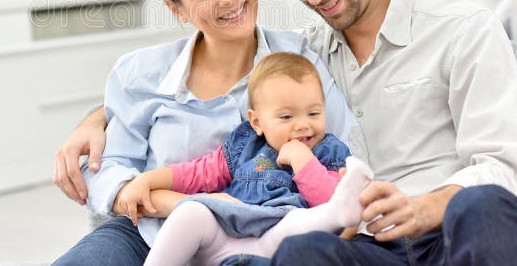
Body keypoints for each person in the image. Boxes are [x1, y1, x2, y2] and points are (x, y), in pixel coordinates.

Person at [54, 0, 517, 265]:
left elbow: (504, 169)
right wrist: (97, 118)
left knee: (478, 204)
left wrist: (425, 206)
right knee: (301, 255)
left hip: (457, 233)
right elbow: (174, 95)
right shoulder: (307, 54)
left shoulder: (463, 30)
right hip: (374, 246)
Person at [51, 0, 359, 266]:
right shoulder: (140, 73)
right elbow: (110, 170)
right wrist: (179, 203)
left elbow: (347, 154)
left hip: (265, 238)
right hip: (151, 233)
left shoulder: (298, 59)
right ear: (177, 10)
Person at [122, 52, 374, 266]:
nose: (303, 125)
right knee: (191, 211)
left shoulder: (328, 152)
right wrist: (148, 179)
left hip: (275, 244)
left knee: (300, 223)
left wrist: (304, 162)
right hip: (224, 237)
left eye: (314, 112)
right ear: (256, 122)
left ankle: (341, 211)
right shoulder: (245, 146)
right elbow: (196, 173)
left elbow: (328, 199)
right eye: (287, 117)